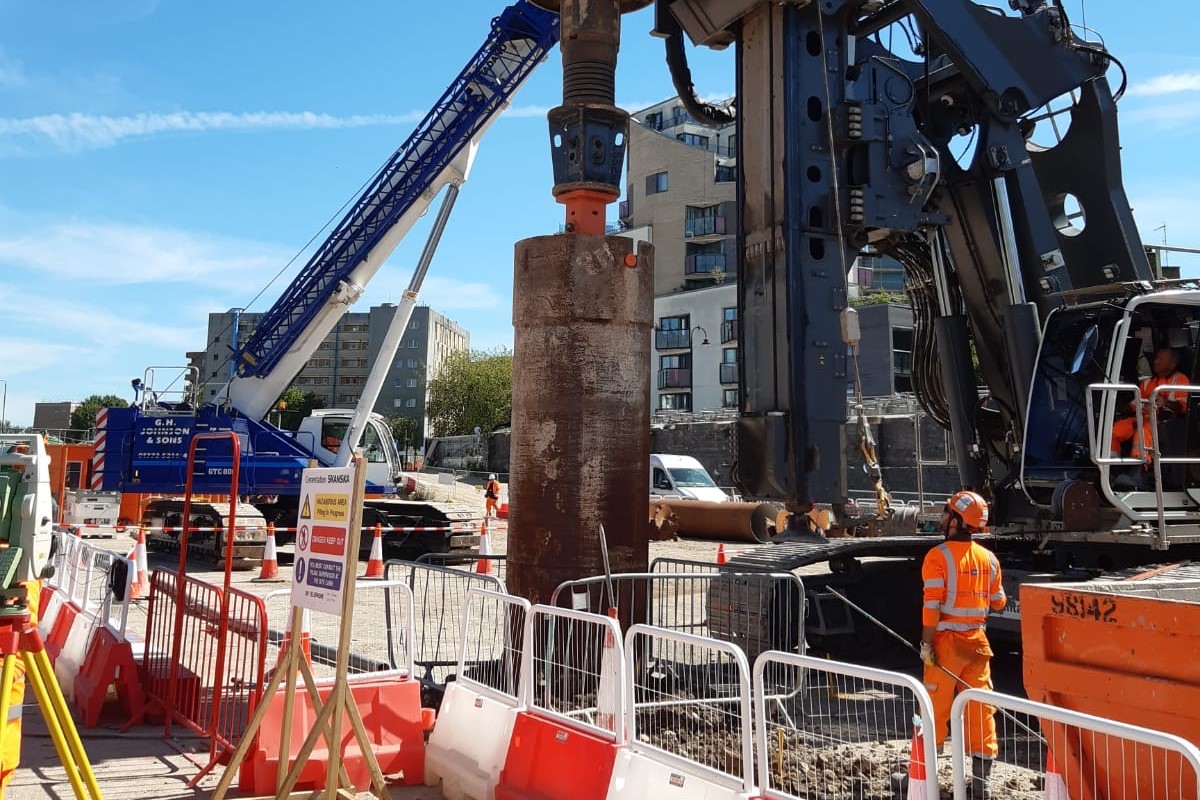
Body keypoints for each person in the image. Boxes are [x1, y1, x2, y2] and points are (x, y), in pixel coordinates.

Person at [920, 490, 1006, 799]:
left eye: (946, 514)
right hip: (977, 645)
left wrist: (926, 644)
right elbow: (999, 602)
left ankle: (919, 778)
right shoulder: (989, 559)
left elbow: (932, 607)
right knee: (980, 710)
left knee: (933, 709)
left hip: (945, 645)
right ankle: (981, 786)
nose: (942, 519)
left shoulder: (937, 556)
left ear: (957, 521)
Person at [1110, 346, 1189, 466]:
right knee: (1114, 431)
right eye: (1156, 358)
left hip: (1166, 422)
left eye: (1160, 359)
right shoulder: (1146, 382)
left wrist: (1164, 402)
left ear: (1172, 365)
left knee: (1143, 430)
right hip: (1141, 418)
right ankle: (1111, 465)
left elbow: (1183, 407)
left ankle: (1140, 469)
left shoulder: (1180, 379)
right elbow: (1133, 406)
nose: (1155, 361)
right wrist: (1112, 408)